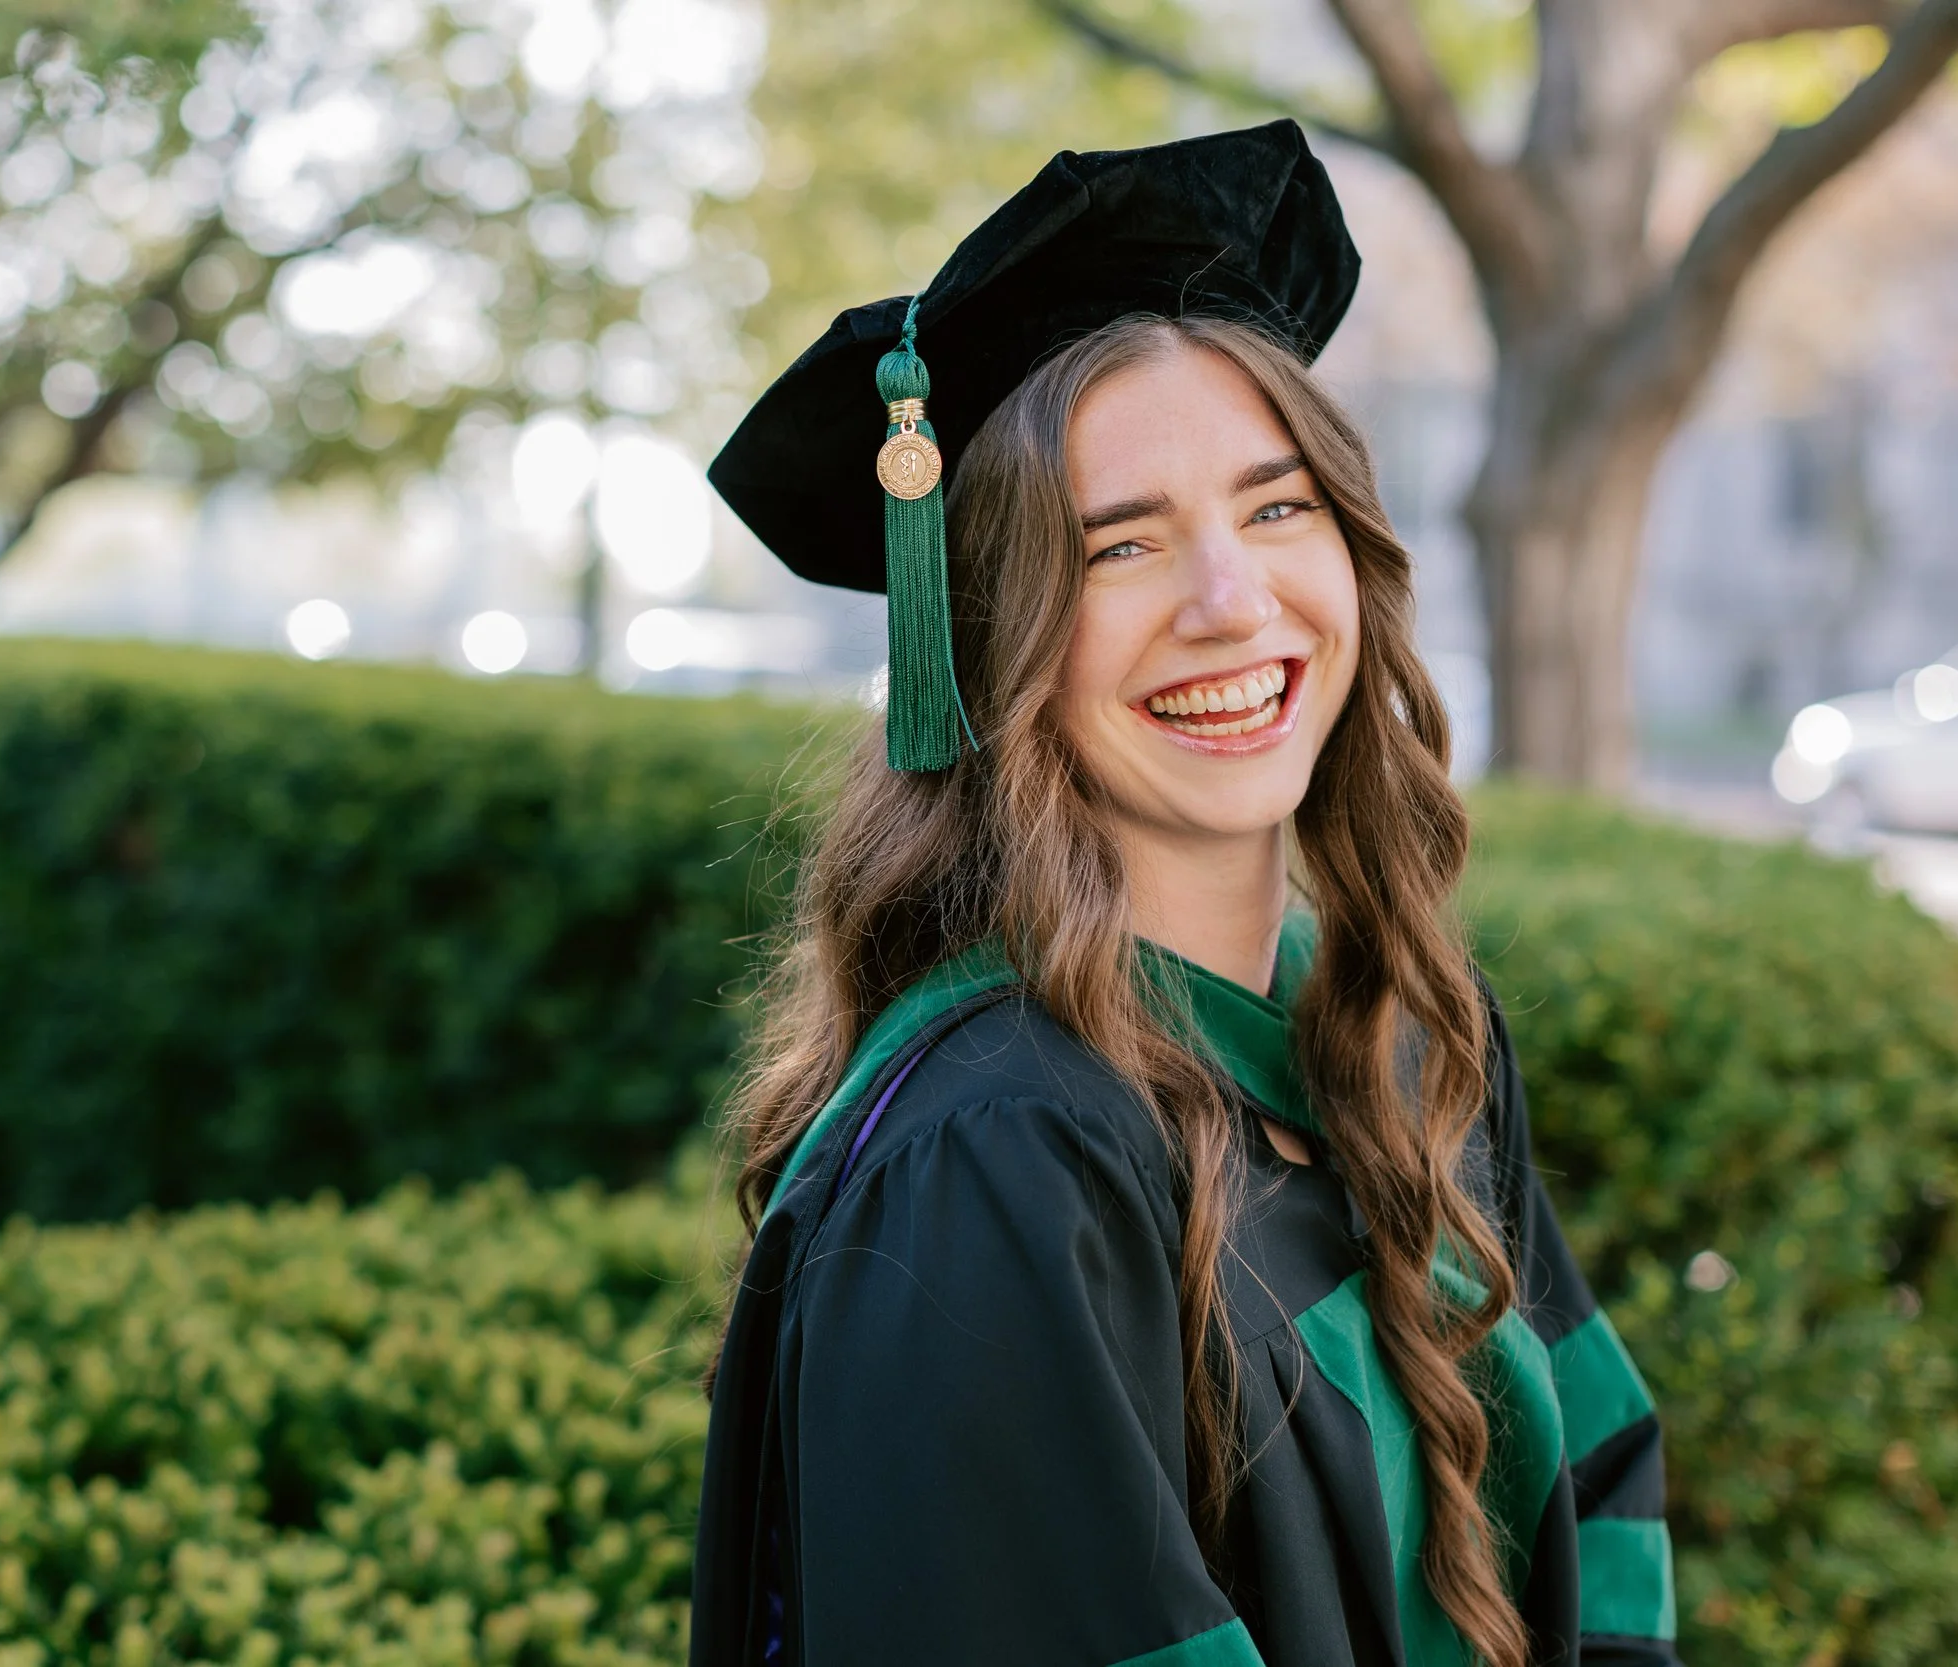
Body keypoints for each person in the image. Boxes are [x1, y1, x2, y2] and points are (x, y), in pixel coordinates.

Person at [691, 121, 1676, 1667]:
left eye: (1277, 509)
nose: (1232, 602)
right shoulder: (998, 1159)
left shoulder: (1405, 1035)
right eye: (1120, 546)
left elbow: (1604, 1500)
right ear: (990, 640)